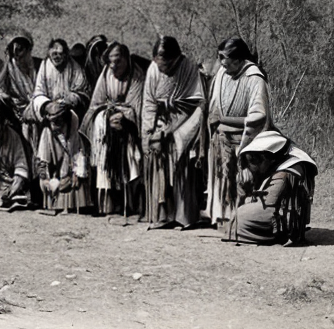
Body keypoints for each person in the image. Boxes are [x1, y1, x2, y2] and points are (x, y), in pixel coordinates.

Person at [141, 36, 206, 229]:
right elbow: (149, 102)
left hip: (185, 121)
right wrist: (150, 132)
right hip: (160, 120)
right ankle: (162, 215)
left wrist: (172, 129)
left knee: (182, 164)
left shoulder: (189, 69)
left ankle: (184, 216)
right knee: (157, 157)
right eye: (159, 65)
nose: (162, 70)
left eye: (166, 67)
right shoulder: (153, 69)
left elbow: (196, 103)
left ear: (174, 60)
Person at [206, 36, 272, 226]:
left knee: (244, 183)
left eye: (225, 61)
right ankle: (225, 218)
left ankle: (245, 222)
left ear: (238, 60)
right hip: (222, 140)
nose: (222, 65)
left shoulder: (254, 78)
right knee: (224, 182)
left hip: (245, 141)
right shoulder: (223, 73)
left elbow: (258, 117)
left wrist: (223, 120)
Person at [81, 43, 146, 217]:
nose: (114, 66)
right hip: (106, 125)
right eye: (111, 62)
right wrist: (106, 113)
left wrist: (123, 117)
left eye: (118, 62)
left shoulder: (136, 76)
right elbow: (96, 103)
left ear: (126, 59)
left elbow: (136, 108)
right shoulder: (105, 74)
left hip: (128, 129)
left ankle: (130, 204)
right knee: (103, 151)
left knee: (131, 159)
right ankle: (107, 204)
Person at [231, 130, 317, 244]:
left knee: (235, 218)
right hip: (291, 222)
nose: (253, 165)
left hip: (281, 224)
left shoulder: (285, 174)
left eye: (255, 160)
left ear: (268, 158)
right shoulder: (295, 165)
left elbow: (270, 203)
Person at [35, 101, 91, 213]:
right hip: (54, 176)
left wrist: (76, 173)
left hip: (71, 175)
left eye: (57, 121)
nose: (54, 125)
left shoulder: (73, 131)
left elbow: (79, 154)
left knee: (78, 183)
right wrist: (45, 179)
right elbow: (42, 159)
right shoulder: (47, 133)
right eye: (52, 121)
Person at [31, 38, 91, 125]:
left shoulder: (74, 67)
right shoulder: (44, 66)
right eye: (54, 54)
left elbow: (82, 90)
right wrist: (47, 105)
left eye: (60, 54)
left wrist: (69, 99)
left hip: (69, 109)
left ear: (65, 55)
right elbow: (39, 91)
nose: (57, 57)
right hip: (49, 109)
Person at [5, 35, 42, 145]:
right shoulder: (8, 71)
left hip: (40, 110)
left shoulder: (39, 65)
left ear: (28, 49)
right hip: (17, 115)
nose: (17, 55)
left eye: (20, 49)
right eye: (13, 50)